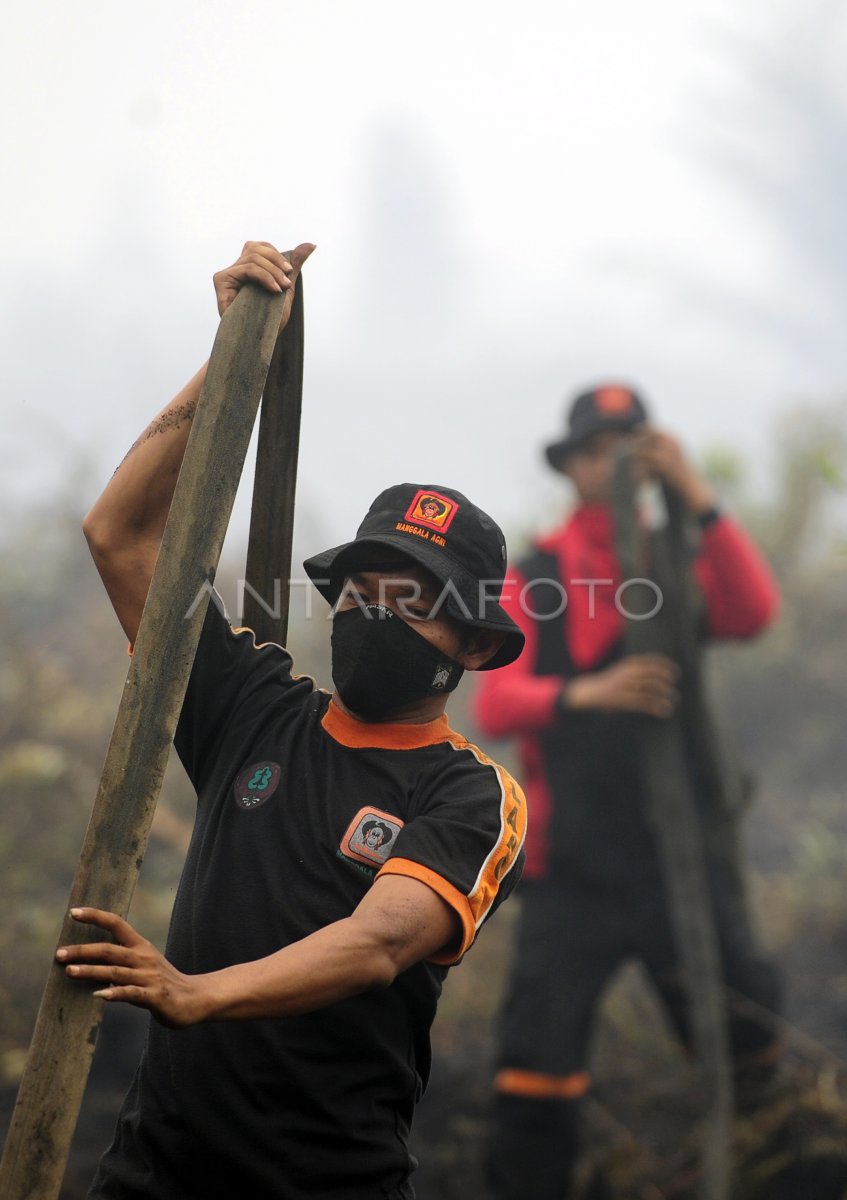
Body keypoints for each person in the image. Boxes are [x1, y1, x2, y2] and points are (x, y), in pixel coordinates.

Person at [57, 240, 527, 1199]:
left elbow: (377, 944)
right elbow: (121, 535)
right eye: (364, 588)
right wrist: (231, 353)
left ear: (472, 646)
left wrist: (199, 994)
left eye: (412, 598)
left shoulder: (472, 795)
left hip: (324, 1184)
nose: (374, 612)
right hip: (154, 1173)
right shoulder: (253, 708)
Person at [475, 383, 782, 1200]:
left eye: (627, 445)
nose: (608, 461)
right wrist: (584, 694)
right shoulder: (535, 572)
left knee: (747, 1032)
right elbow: (494, 700)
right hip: (570, 868)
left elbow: (752, 613)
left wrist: (698, 496)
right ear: (570, 465)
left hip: (678, 858)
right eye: (593, 449)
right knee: (535, 1069)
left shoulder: (678, 556)